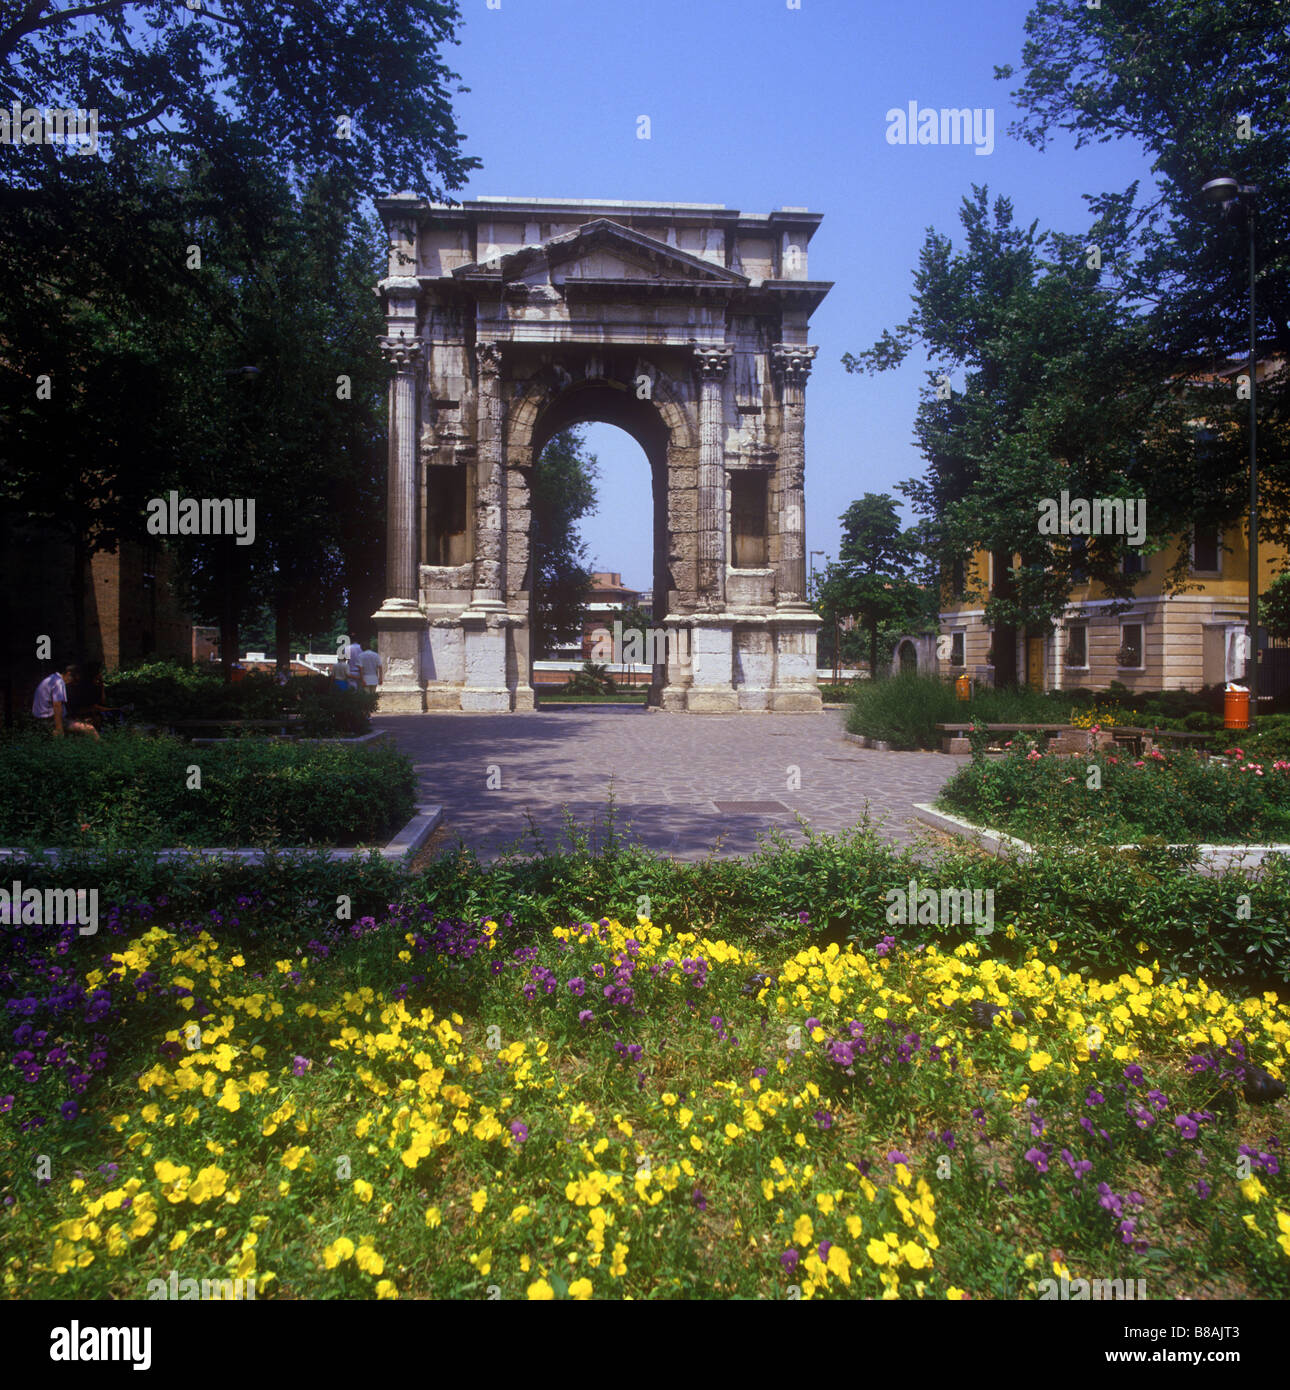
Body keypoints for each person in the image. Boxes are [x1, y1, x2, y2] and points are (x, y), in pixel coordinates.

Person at [32, 663, 99, 739]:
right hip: (49, 720)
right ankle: (103, 749)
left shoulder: (53, 678)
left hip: (43, 718)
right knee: (90, 729)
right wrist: (59, 729)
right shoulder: (59, 683)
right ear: (68, 674)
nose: (72, 683)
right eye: (74, 679)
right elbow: (57, 706)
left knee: (83, 721)